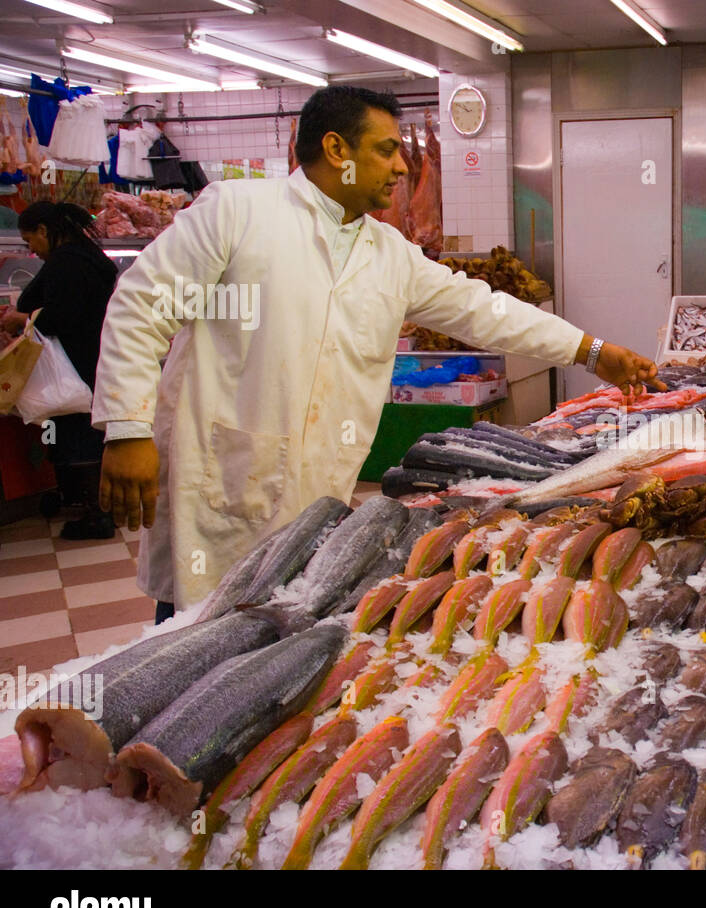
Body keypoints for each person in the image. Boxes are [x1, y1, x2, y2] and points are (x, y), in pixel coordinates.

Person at [91, 86, 665, 621]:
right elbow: (141, 307)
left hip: (317, 495)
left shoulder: (389, 251)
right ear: (336, 148)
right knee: (194, 650)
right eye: (387, 149)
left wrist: (590, 351)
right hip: (223, 480)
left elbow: (484, 309)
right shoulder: (236, 212)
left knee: (287, 631)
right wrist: (126, 429)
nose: (400, 166)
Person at [1, 202, 118, 538]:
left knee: (77, 433)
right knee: (87, 430)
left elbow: (63, 315)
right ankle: (85, 499)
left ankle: (97, 514)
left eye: (30, 240)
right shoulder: (88, 255)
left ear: (43, 230)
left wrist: (22, 318)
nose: (31, 249)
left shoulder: (66, 263)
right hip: (94, 359)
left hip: (73, 363)